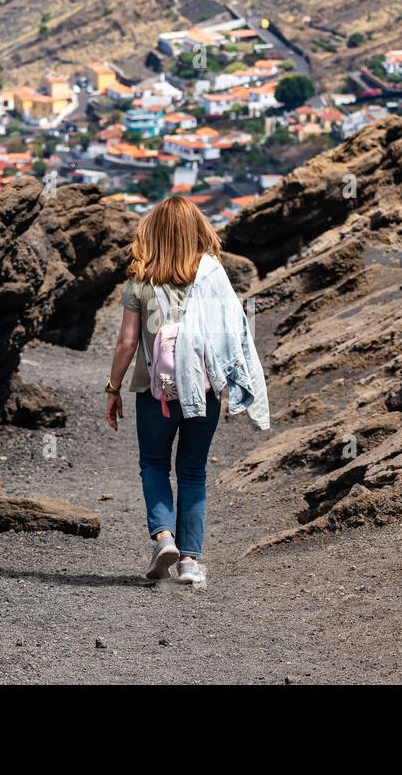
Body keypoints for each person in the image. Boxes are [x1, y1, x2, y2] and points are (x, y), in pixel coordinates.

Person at [105, 196, 269, 585]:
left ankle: (163, 537)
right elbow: (233, 330)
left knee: (154, 465)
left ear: (153, 232)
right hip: (204, 390)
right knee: (192, 471)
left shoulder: (140, 280)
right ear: (197, 230)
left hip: (154, 392)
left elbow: (127, 342)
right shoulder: (213, 275)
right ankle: (190, 563)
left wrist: (112, 388)